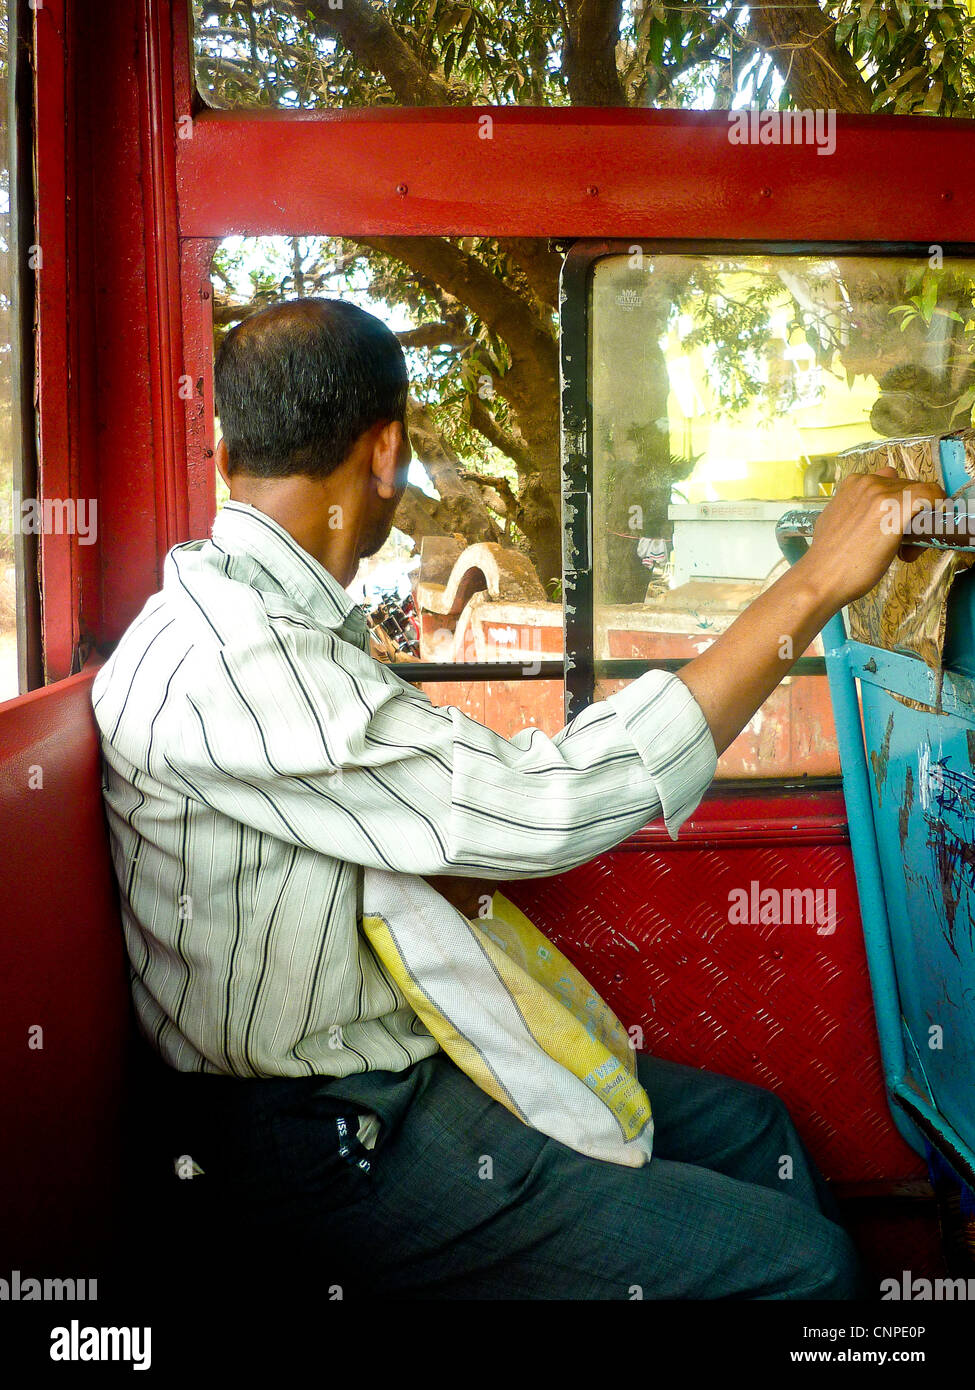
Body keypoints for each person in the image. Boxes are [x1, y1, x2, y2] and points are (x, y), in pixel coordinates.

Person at [92, 297, 943, 1300]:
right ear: (385, 454)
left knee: (761, 1135)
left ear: (229, 453)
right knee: (812, 1268)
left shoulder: (251, 617)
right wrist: (809, 588)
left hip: (396, 1068)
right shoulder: (238, 659)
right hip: (320, 1144)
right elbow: (546, 808)